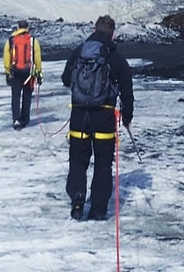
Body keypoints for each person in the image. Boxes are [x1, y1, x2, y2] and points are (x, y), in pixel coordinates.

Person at [61, 15, 133, 221]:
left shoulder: (79, 52)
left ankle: (77, 198)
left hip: (79, 116)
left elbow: (66, 78)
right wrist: (127, 116)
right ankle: (99, 209)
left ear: (94, 29)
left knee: (77, 160)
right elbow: (127, 90)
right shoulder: (116, 57)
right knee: (103, 163)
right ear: (112, 34)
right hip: (104, 117)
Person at [2, 19, 42, 130]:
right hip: (29, 73)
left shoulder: (11, 40)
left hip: (15, 72)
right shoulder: (33, 41)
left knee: (15, 97)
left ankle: (16, 119)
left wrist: (7, 71)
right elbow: (37, 58)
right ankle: (25, 119)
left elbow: (6, 56)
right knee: (27, 96)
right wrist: (38, 72)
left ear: (18, 27)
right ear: (27, 27)